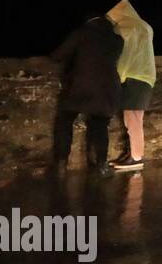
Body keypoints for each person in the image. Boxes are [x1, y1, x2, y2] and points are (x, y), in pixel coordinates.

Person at [49, 13, 124, 178]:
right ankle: (101, 166)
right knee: (100, 125)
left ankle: (61, 165)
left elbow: (57, 56)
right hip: (107, 90)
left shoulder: (81, 33)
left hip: (80, 88)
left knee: (64, 121)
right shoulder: (117, 40)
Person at [106, 0, 156, 172]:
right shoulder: (143, 26)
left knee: (131, 118)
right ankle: (133, 154)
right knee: (135, 118)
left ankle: (135, 158)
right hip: (145, 76)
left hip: (134, 76)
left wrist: (117, 75)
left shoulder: (129, 26)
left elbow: (126, 55)